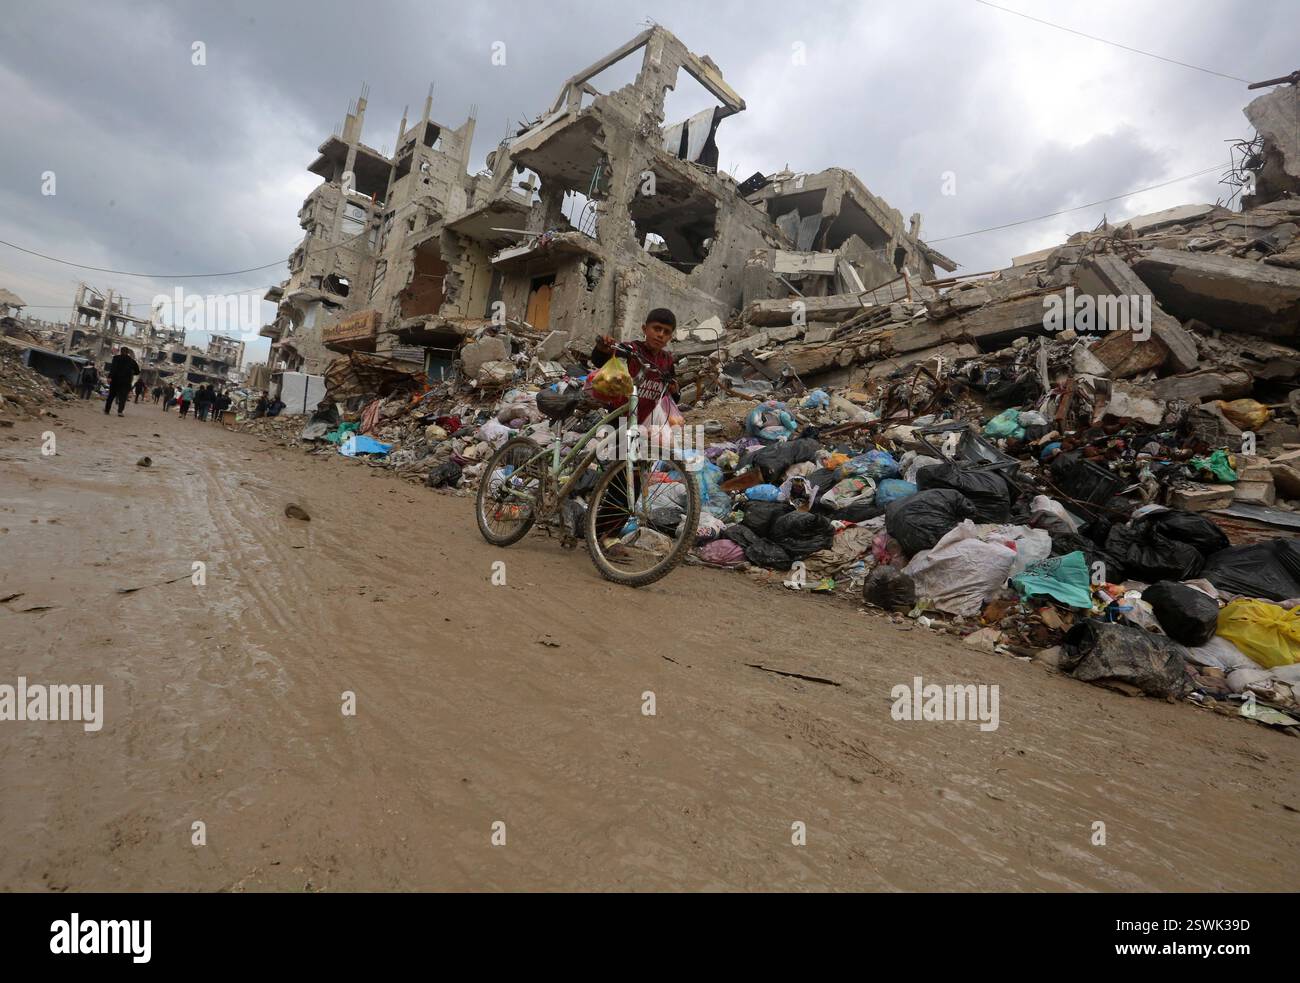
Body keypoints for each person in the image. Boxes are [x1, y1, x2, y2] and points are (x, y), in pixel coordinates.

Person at [587, 308, 679, 542]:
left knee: (632, 481)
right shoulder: (631, 350)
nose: (660, 335)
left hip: (644, 425)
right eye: (656, 329)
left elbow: (671, 394)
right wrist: (603, 347)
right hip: (620, 420)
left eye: (666, 332)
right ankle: (604, 537)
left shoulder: (666, 361)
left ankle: (603, 534)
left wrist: (675, 390)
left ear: (670, 336)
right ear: (645, 329)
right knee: (624, 481)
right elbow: (598, 360)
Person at [104, 346, 140, 417]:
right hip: (126, 382)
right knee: (123, 398)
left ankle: (107, 410)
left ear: (121, 351)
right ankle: (120, 412)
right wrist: (132, 373)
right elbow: (137, 372)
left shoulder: (116, 358)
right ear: (128, 353)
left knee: (111, 396)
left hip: (115, 380)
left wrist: (109, 377)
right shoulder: (132, 361)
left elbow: (113, 369)